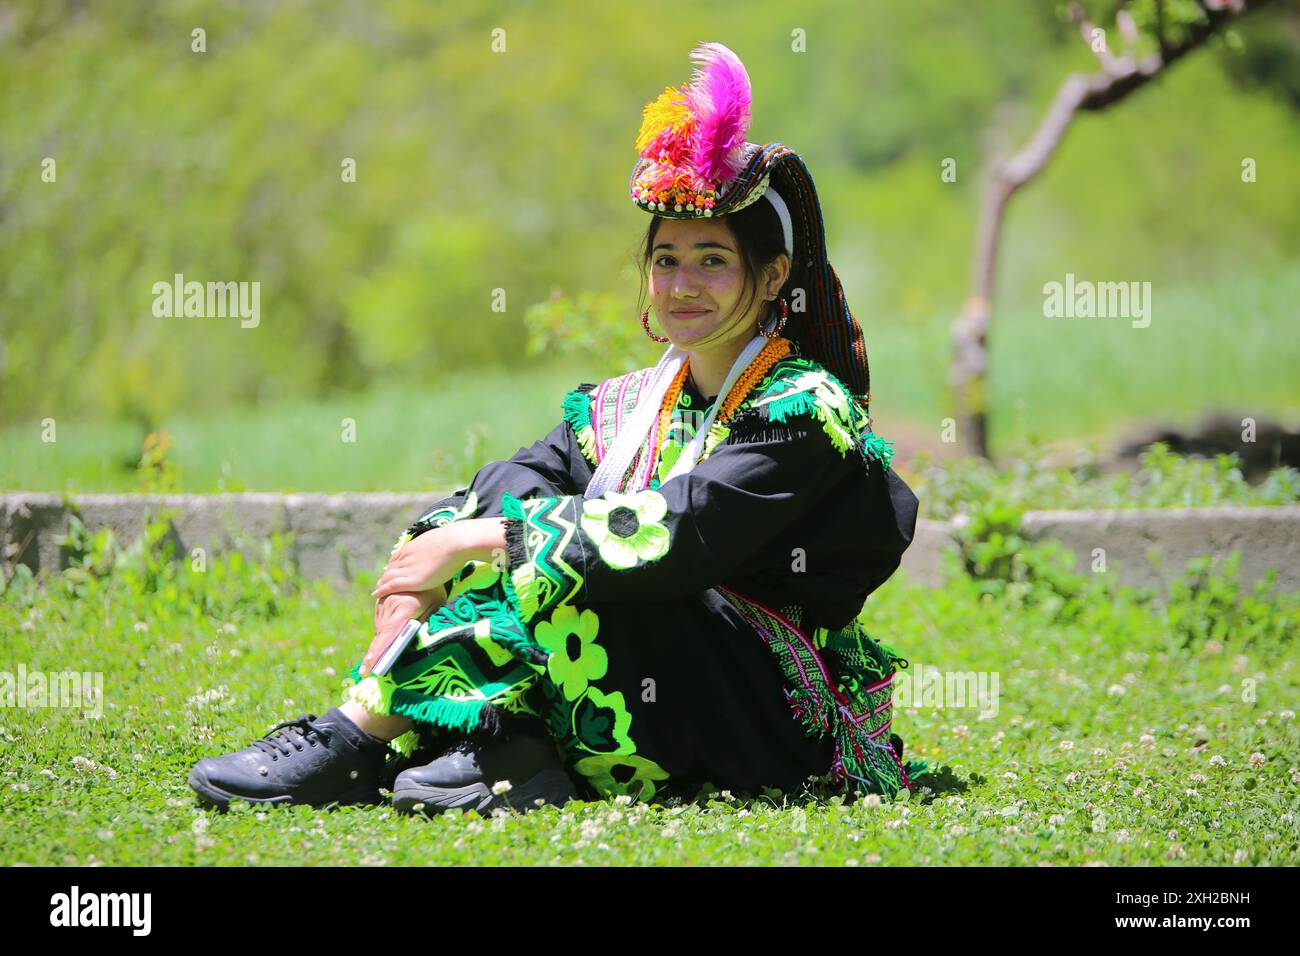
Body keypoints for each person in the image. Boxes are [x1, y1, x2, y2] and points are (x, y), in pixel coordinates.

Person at [187, 41, 929, 815]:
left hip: (767, 713)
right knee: (521, 528)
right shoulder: (630, 408)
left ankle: (355, 740)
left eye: (713, 261)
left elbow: (684, 531)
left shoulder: (802, 410)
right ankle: (508, 750)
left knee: (575, 558)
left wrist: (484, 541)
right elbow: (515, 479)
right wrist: (422, 565)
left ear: (772, 277)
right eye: (666, 260)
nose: (682, 285)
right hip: (659, 687)